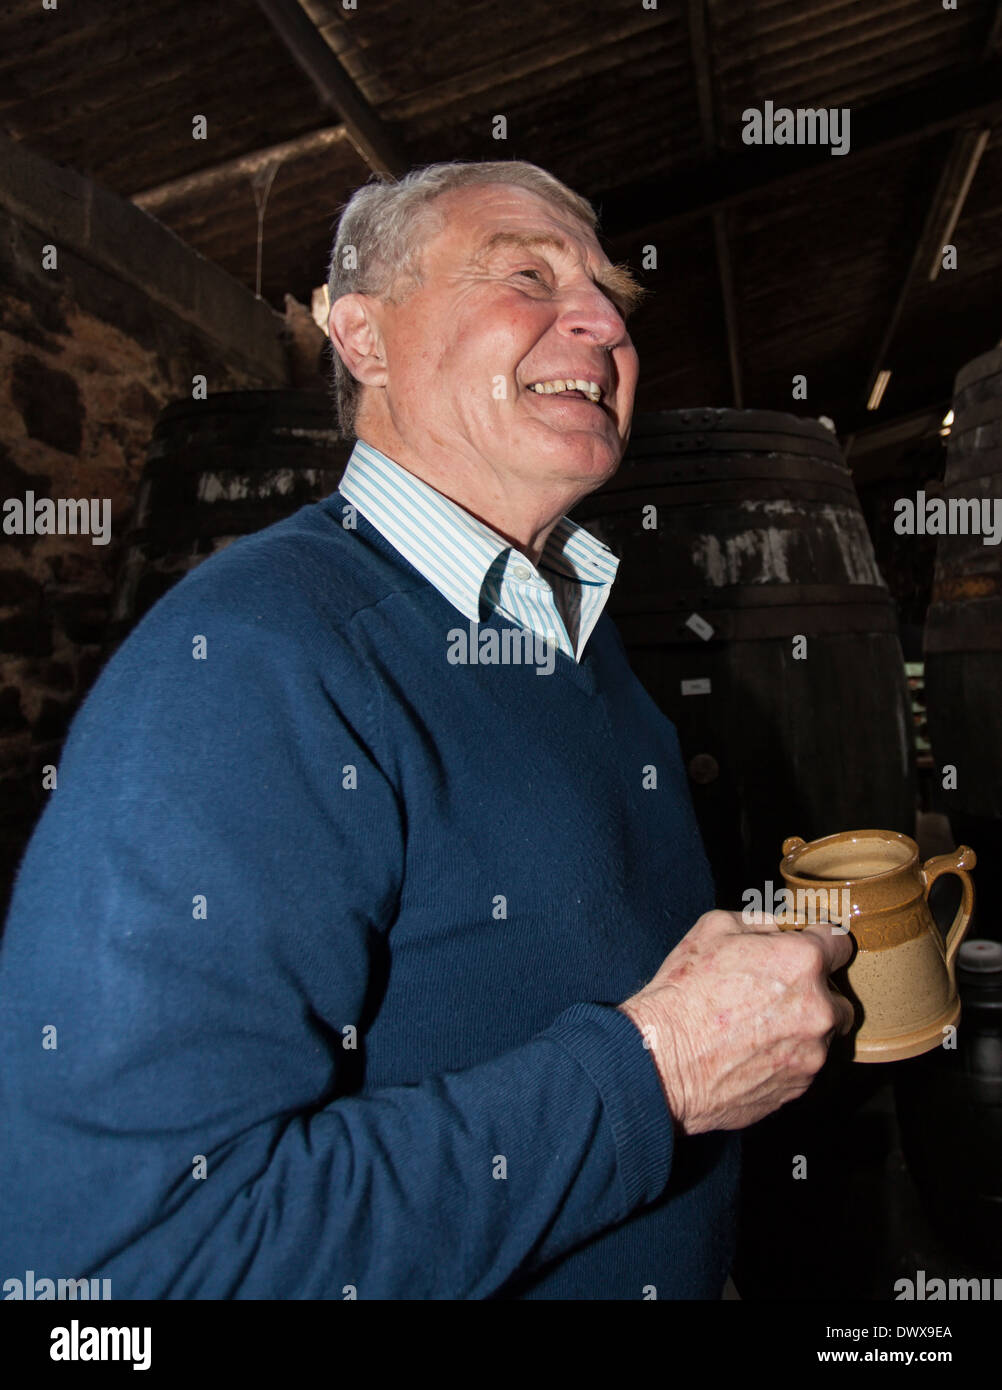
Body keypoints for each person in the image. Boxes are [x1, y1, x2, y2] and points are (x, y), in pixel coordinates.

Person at [0, 160, 853, 1300]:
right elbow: (121, 1267)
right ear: (363, 335)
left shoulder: (575, 634)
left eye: (609, 295)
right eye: (527, 273)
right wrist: (662, 1074)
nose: (603, 322)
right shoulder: (258, 658)